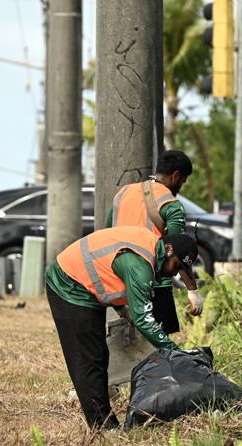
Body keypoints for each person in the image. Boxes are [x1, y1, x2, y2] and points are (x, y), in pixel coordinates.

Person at [45, 226, 199, 429]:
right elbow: (143, 317)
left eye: (180, 270)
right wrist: (174, 351)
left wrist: (122, 309)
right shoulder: (140, 265)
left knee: (100, 355)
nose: (173, 272)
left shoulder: (150, 250)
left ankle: (105, 421)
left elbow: (106, 269)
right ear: (169, 249)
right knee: (89, 358)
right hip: (68, 284)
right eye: (176, 265)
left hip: (83, 282)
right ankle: (102, 426)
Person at [106, 150, 204, 336]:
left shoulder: (123, 193)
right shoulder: (171, 205)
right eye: (183, 181)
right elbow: (178, 252)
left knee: (126, 338)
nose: (181, 186)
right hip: (153, 284)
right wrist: (192, 291)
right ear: (176, 176)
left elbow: (106, 232)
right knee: (156, 344)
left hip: (119, 279)